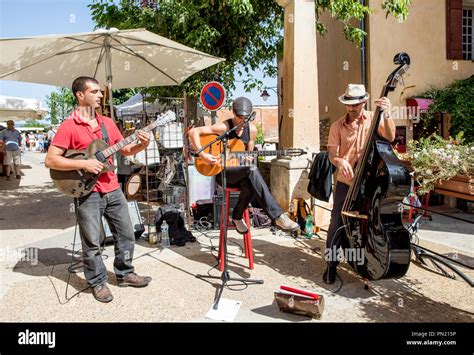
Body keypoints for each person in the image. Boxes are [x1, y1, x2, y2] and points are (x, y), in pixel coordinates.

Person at [45, 76, 152, 303]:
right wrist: (83, 163)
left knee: (126, 234)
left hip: (112, 188)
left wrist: (142, 143)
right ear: (80, 95)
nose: (100, 95)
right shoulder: (69, 126)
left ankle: (125, 273)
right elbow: (51, 160)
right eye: (94, 91)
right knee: (92, 242)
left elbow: (125, 150)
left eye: (100, 92)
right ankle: (98, 282)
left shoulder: (107, 123)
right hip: (87, 192)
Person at [188, 97, 299, 234]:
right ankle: (277, 216)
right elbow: (193, 132)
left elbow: (248, 157)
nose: (242, 121)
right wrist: (204, 155)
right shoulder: (224, 127)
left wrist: (248, 157)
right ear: (233, 113)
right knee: (251, 172)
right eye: (239, 117)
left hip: (240, 171)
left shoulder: (251, 130)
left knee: (251, 183)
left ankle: (237, 216)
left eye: (246, 118)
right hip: (222, 173)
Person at [324, 84, 396, 284]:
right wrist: (340, 161)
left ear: (364, 102)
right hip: (346, 182)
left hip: (370, 183)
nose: (351, 108)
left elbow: (390, 137)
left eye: (355, 104)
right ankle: (330, 265)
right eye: (348, 104)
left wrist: (387, 114)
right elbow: (332, 154)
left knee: (369, 223)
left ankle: (368, 261)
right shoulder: (337, 126)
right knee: (336, 222)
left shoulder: (375, 118)